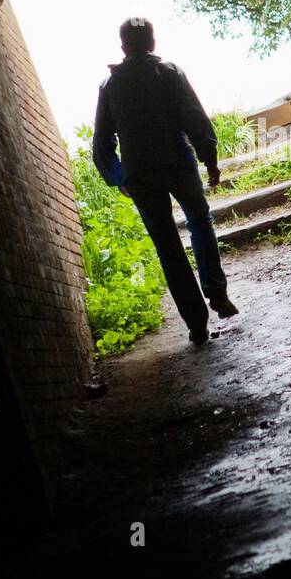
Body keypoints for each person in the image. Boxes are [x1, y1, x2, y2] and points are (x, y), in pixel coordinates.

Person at [91, 17, 238, 346]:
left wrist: (118, 177)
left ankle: (196, 323)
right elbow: (194, 116)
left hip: (140, 174)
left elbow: (100, 143)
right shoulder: (169, 72)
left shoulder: (110, 86)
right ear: (153, 42)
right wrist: (209, 159)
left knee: (168, 247)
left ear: (124, 47)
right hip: (177, 162)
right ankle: (217, 294)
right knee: (199, 221)